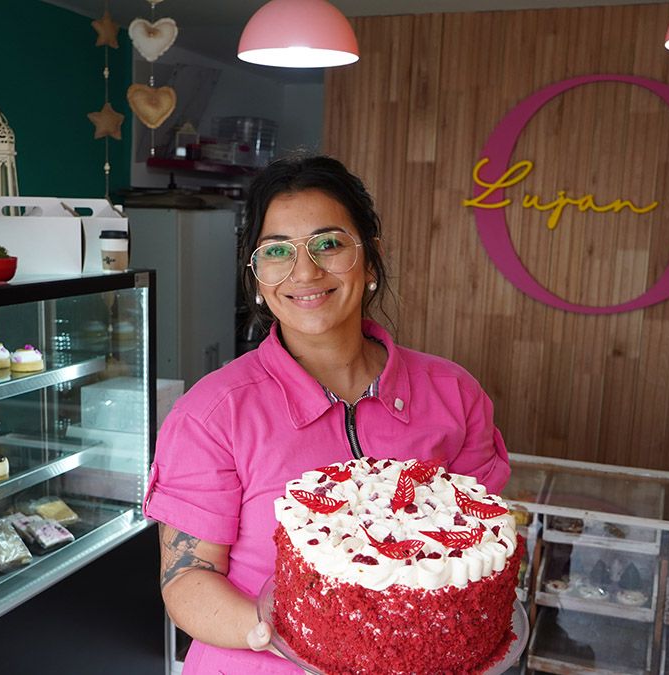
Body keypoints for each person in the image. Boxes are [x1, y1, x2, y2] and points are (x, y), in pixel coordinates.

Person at [143, 155, 510, 674]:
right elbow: (187, 578)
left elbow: (481, 549)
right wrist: (284, 635)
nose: (305, 271)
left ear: (371, 259)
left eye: (329, 244)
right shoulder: (211, 414)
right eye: (277, 251)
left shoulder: (453, 393)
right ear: (257, 276)